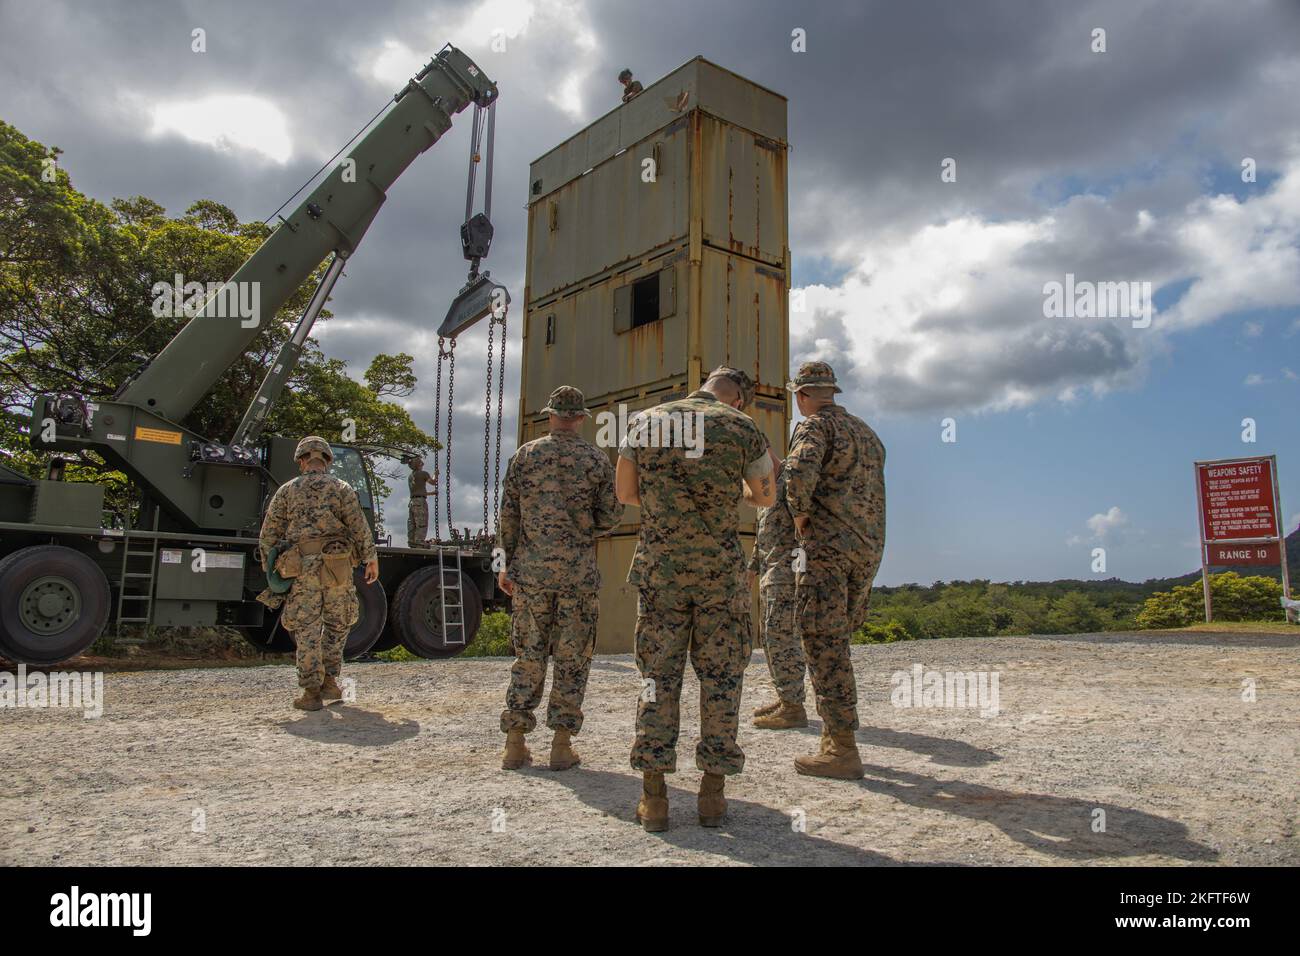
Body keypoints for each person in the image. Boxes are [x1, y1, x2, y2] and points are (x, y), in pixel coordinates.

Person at [616, 367, 776, 831]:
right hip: (720, 576)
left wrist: (672, 504)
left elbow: (626, 492)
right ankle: (712, 795)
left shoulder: (645, 420)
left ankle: (655, 798)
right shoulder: (742, 426)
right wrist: (732, 491)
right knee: (722, 679)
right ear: (739, 398)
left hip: (660, 570)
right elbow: (765, 497)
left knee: (657, 679)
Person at [497, 386, 623, 771]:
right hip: (577, 576)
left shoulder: (525, 456)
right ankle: (561, 744)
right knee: (572, 657)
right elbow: (611, 516)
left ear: (549, 415)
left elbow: (509, 515)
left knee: (529, 656)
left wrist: (506, 564)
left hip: (531, 573)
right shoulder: (596, 460)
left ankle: (515, 743)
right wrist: (582, 528)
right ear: (581, 418)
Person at [783, 362, 886, 779]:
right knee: (838, 640)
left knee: (823, 645)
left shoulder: (814, 428)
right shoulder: (867, 433)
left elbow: (797, 476)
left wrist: (801, 517)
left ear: (801, 395)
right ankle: (838, 738)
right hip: (868, 548)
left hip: (828, 549)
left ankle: (841, 747)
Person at [258, 436, 379, 712]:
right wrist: (371, 558)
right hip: (337, 565)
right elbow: (359, 527)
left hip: (301, 568)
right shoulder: (342, 488)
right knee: (338, 622)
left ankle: (311, 692)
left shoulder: (287, 491)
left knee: (307, 628)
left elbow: (269, 534)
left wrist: (271, 568)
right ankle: (330, 681)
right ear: (326, 460)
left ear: (302, 461)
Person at [747, 460, 809, 729]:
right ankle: (785, 697)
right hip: (770, 576)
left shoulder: (790, 483)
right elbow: (762, 539)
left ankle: (793, 707)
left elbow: (805, 527)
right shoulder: (768, 490)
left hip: (787, 575)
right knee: (771, 639)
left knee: (783, 639)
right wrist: (750, 573)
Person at [407, 457, 434, 548]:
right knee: (422, 522)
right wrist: (436, 474)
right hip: (420, 502)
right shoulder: (423, 474)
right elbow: (433, 482)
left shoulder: (411, 476)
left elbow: (417, 492)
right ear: (419, 465)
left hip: (412, 502)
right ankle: (419, 541)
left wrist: (431, 493)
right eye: (422, 463)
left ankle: (411, 541)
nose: (423, 465)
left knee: (412, 522)